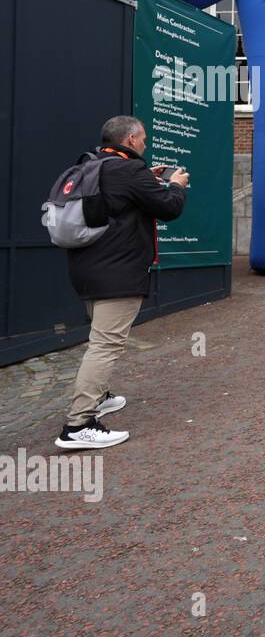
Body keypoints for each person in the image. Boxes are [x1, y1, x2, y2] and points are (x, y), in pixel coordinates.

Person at [56, 116, 189, 451]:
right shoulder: (129, 171)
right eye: (142, 138)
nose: (145, 143)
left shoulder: (93, 166)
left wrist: (148, 179)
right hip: (118, 272)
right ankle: (78, 424)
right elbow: (169, 208)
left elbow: (121, 201)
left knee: (98, 338)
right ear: (130, 139)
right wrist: (176, 185)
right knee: (105, 344)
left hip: (86, 269)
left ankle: (99, 397)